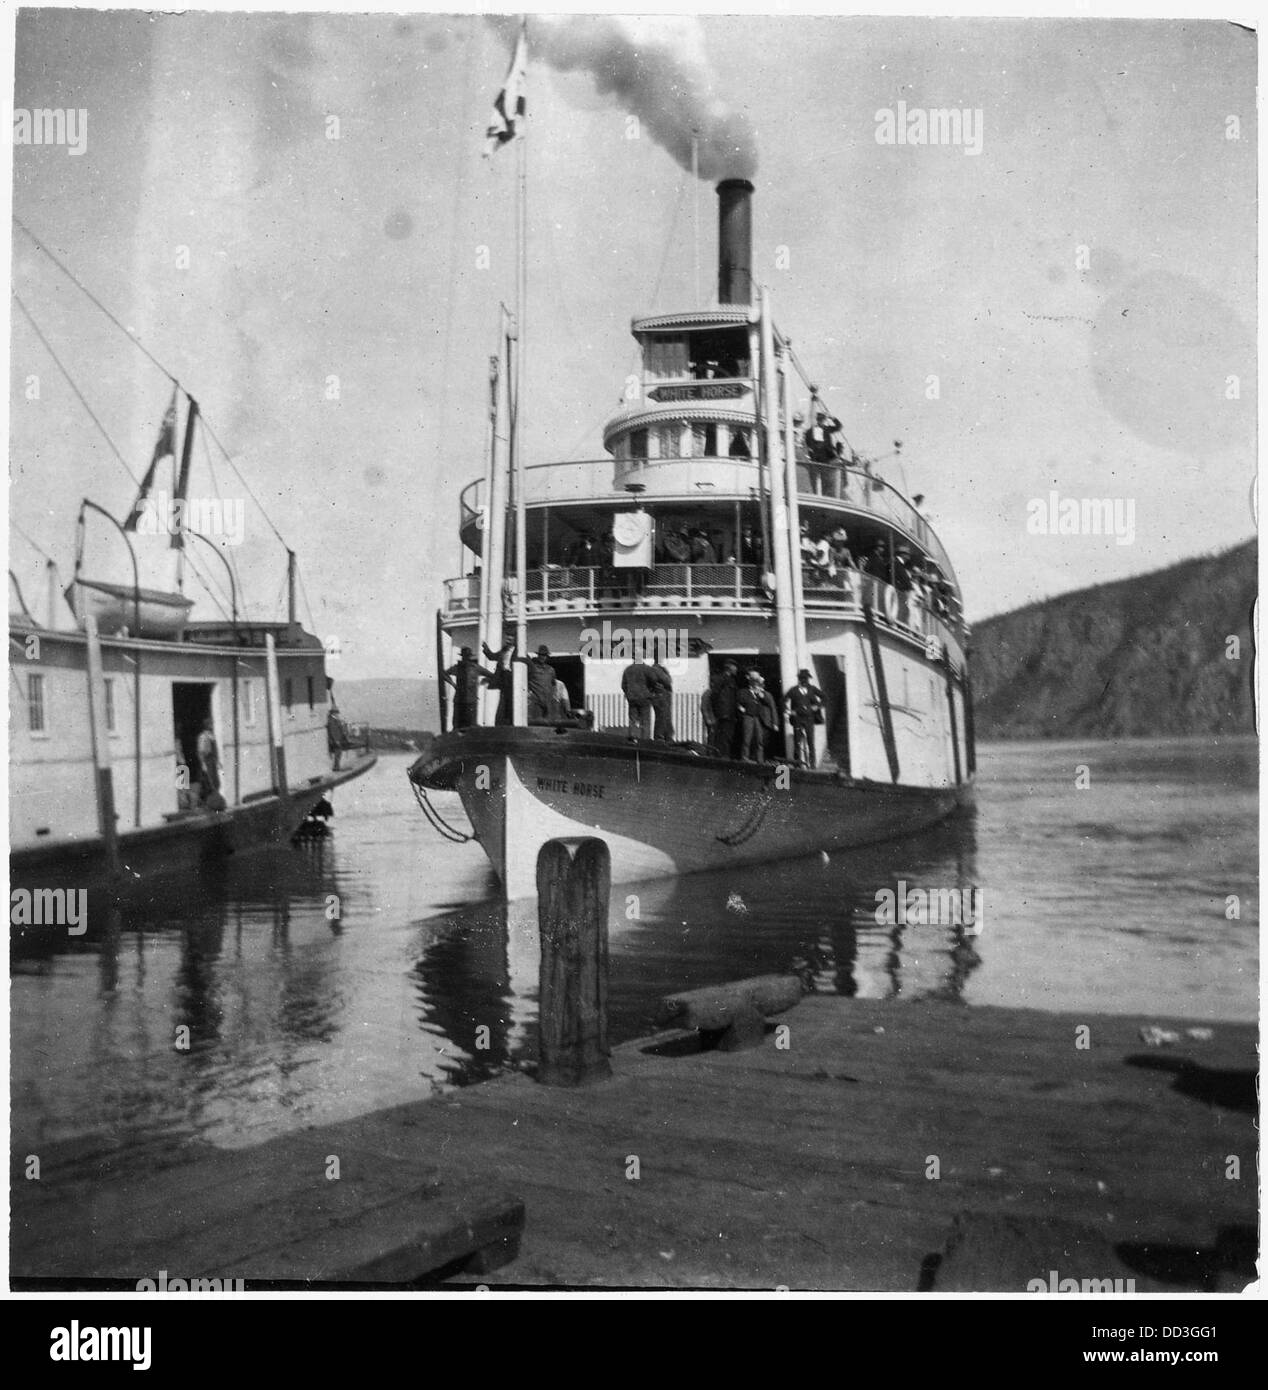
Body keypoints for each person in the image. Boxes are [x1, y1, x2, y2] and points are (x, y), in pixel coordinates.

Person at [445, 647, 495, 731]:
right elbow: (444, 674)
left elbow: (492, 676)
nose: (466, 658)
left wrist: (483, 681)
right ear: (462, 656)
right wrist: (453, 684)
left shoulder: (476, 668)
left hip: (471, 701)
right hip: (459, 700)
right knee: (457, 725)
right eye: (464, 656)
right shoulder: (457, 667)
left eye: (467, 656)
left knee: (471, 725)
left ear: (470, 657)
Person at [784, 669, 825, 768]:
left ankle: (812, 765)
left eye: (806, 679)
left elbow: (825, 697)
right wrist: (788, 711)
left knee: (810, 742)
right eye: (802, 679)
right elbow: (783, 700)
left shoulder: (812, 689)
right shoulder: (793, 690)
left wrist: (818, 706)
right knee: (797, 742)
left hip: (809, 719)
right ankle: (797, 765)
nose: (804, 681)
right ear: (799, 679)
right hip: (797, 719)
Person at [737, 669, 779, 763]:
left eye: (757, 682)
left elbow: (769, 703)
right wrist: (744, 711)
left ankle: (760, 759)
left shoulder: (762, 694)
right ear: (750, 683)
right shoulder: (743, 692)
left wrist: (760, 695)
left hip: (758, 718)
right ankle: (745, 757)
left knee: (759, 739)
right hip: (748, 717)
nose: (756, 684)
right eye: (754, 682)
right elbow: (739, 704)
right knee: (747, 738)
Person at [702, 658, 740, 757]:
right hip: (723, 714)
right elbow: (714, 695)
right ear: (729, 668)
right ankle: (722, 757)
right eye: (734, 667)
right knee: (722, 737)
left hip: (730, 714)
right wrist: (718, 710)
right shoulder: (721, 678)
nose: (736, 669)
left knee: (728, 737)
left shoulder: (732, 680)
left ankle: (724, 755)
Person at [482, 638, 517, 725]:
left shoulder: (519, 651)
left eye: (510, 639)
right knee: (503, 700)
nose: (507, 641)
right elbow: (492, 656)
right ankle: (502, 722)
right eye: (507, 639)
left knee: (512, 701)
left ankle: (511, 721)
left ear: (514, 640)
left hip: (513, 677)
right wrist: (486, 649)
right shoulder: (503, 650)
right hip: (504, 677)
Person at [621, 656, 655, 741]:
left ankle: (633, 739)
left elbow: (623, 685)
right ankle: (645, 741)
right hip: (644, 697)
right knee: (645, 720)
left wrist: (628, 693)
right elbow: (654, 681)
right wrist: (650, 692)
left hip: (632, 698)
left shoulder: (628, 669)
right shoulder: (647, 669)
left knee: (632, 719)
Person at [648, 651, 675, 742]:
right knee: (662, 717)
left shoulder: (659, 669)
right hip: (660, 696)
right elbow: (667, 680)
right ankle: (660, 737)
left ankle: (667, 736)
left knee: (665, 716)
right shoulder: (656, 669)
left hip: (663, 696)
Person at [195, 717, 222, 806]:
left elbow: (215, 751)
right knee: (208, 783)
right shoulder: (203, 737)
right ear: (207, 725)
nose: (212, 726)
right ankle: (205, 803)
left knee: (216, 782)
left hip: (212, 761)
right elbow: (201, 752)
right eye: (210, 724)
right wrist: (203, 764)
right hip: (207, 761)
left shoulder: (212, 736)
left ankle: (214, 802)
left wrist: (218, 762)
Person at [526, 645, 557, 721]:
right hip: (536, 702)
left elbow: (554, 684)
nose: (542, 657)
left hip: (548, 702)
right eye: (541, 655)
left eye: (544, 655)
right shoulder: (532, 668)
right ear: (538, 655)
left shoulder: (551, 670)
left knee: (550, 724)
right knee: (537, 723)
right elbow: (525, 681)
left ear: (547, 656)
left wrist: (553, 696)